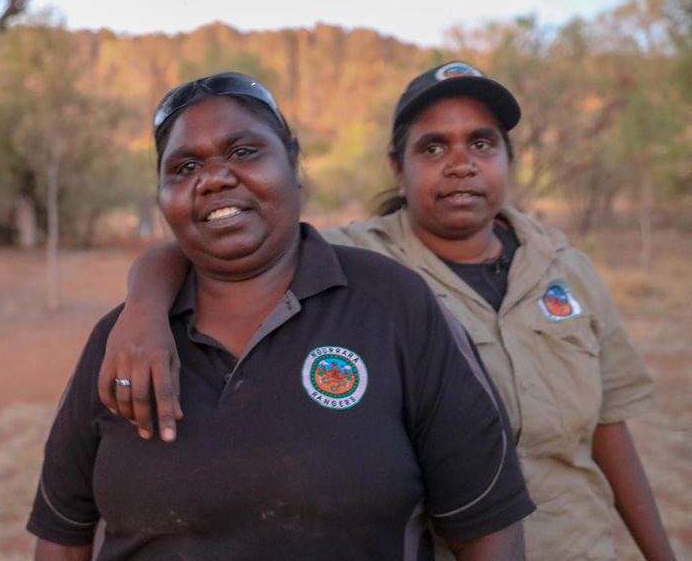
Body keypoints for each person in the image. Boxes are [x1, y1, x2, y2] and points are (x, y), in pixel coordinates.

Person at [99, 62, 677, 561]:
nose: (460, 164)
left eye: (481, 143)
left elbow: (609, 432)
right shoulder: (356, 261)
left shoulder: (567, 268)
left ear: (508, 159)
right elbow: (224, 235)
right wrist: (145, 306)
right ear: (398, 168)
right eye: (433, 147)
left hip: (579, 545)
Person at [28, 72, 534, 560]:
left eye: (244, 152)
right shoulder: (122, 339)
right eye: (184, 167)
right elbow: (63, 532)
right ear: (162, 198)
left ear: (293, 163)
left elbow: (487, 526)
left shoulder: (394, 304)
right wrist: (143, 304)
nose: (214, 179)